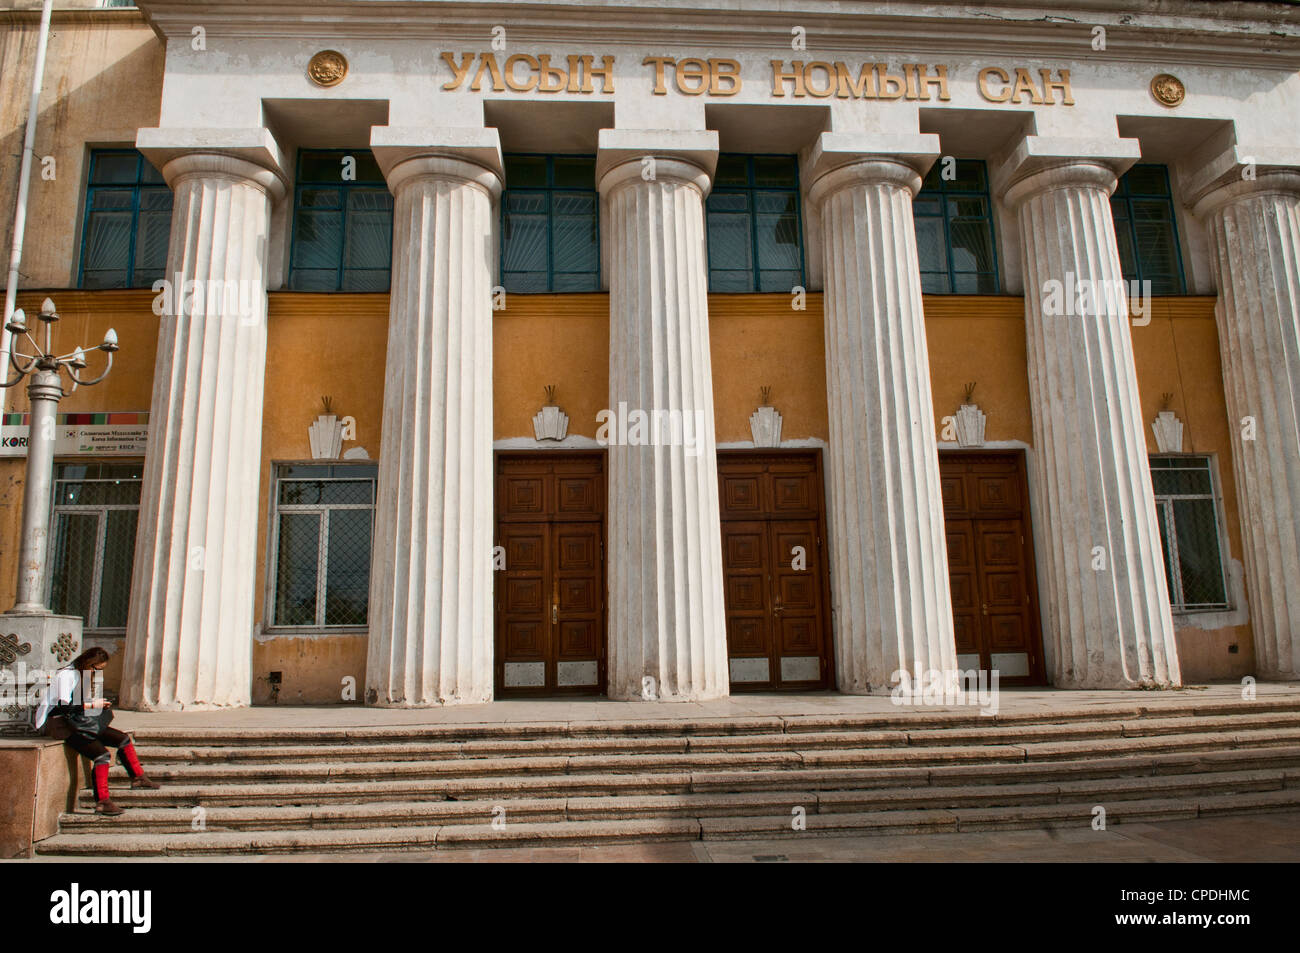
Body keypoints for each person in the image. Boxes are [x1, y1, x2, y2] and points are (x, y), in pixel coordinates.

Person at [33, 646, 160, 816]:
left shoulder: (82, 675)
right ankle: (103, 803)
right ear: (88, 662)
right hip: (62, 725)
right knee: (102, 755)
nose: (96, 672)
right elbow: (64, 707)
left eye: (99, 670)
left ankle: (138, 778)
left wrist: (96, 704)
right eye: (95, 668)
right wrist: (93, 704)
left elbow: (79, 705)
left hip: (78, 722)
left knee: (122, 739)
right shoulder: (66, 675)